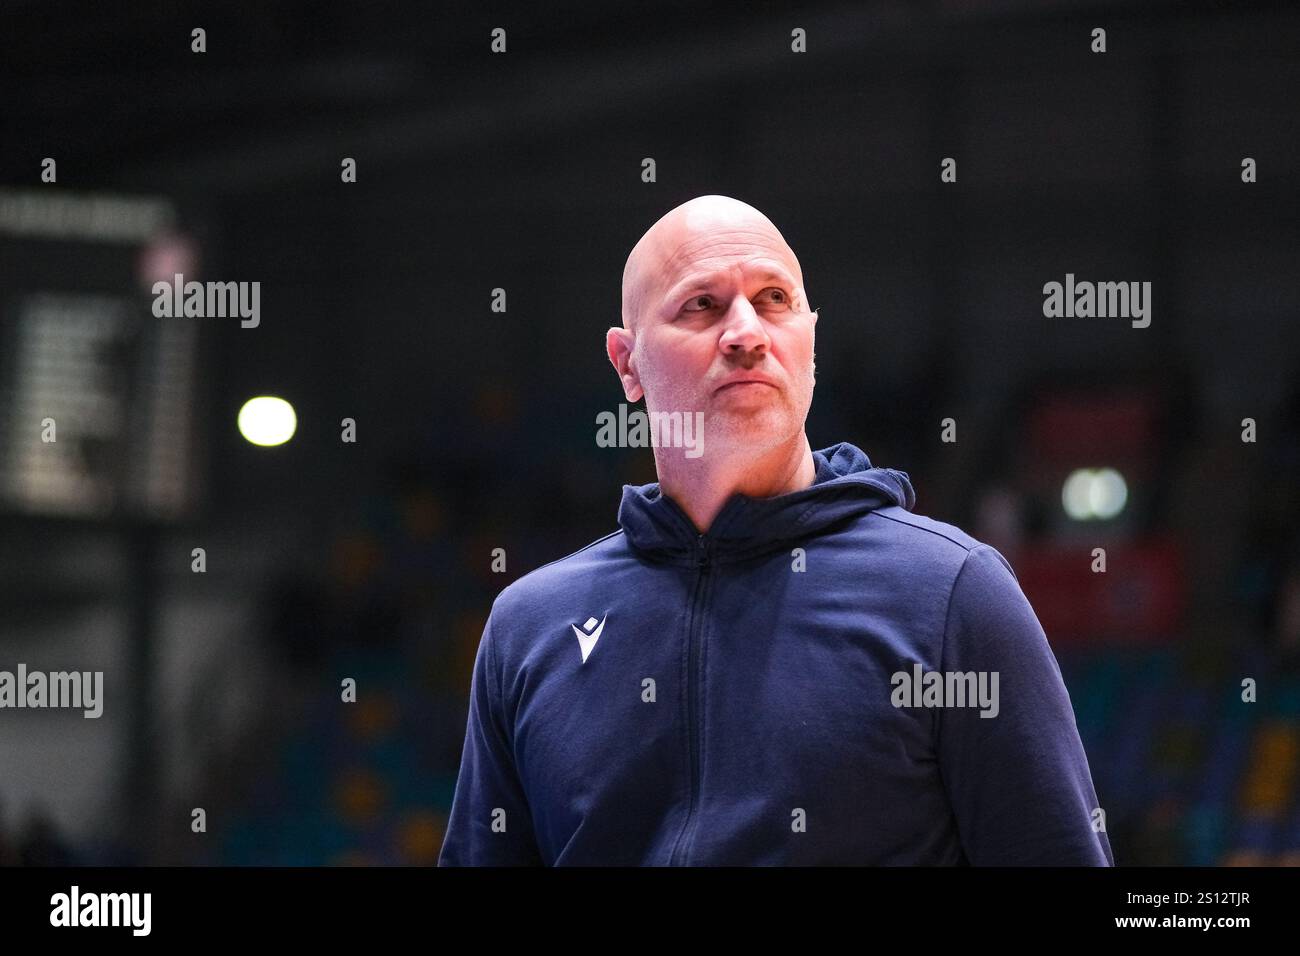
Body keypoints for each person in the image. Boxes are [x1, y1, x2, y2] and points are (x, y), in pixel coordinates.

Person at [438, 195, 1113, 865]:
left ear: (809, 338)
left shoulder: (951, 595)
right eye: (701, 304)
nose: (746, 332)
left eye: (773, 300)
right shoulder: (530, 629)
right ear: (627, 363)